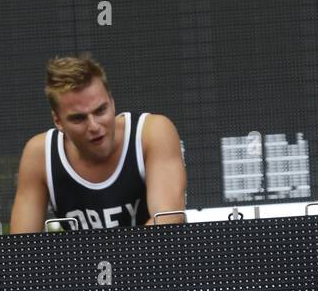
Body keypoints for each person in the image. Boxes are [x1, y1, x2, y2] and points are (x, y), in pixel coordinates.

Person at [10, 54, 187, 233]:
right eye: (78, 118)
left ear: (112, 102)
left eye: (101, 110)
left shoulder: (152, 133)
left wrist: (108, 258)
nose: (94, 126)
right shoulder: (40, 155)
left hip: (152, 260)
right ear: (58, 121)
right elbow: (21, 246)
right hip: (85, 261)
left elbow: (168, 220)